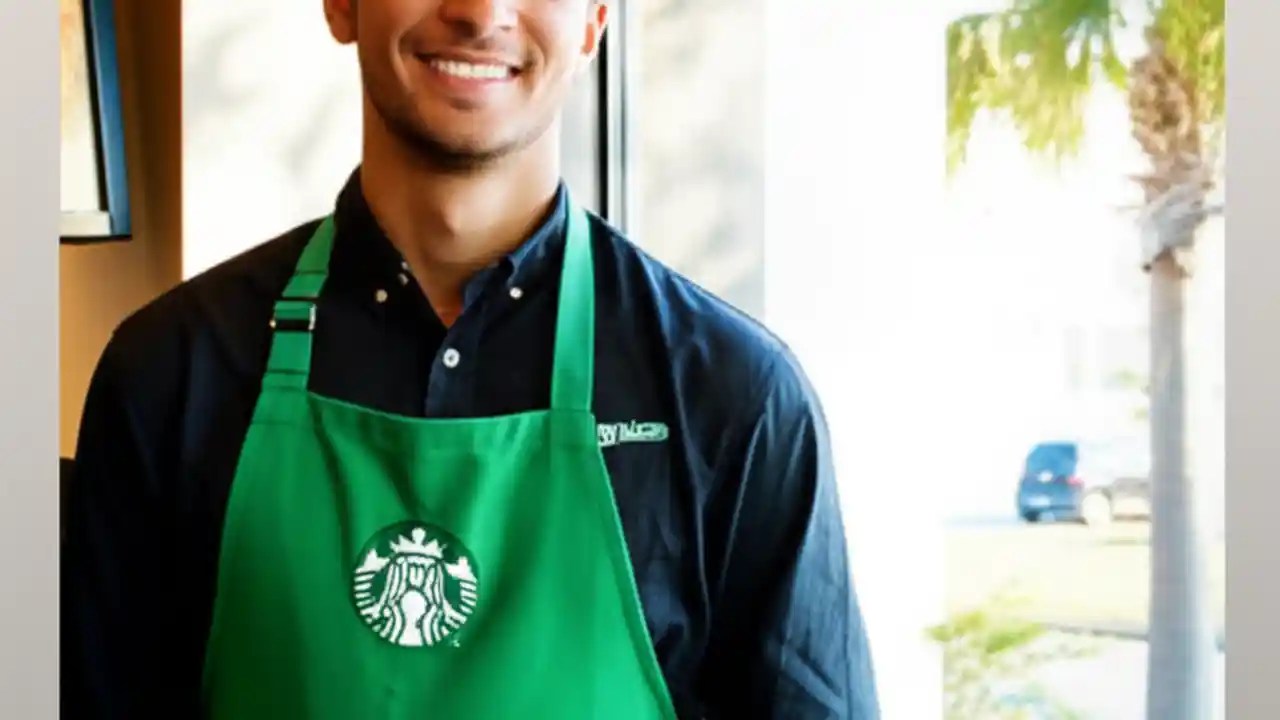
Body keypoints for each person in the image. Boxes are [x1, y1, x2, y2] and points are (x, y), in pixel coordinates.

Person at [60, 1, 880, 718]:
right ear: (340, 3)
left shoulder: (734, 396)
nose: (480, 12)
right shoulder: (169, 373)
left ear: (595, 17)